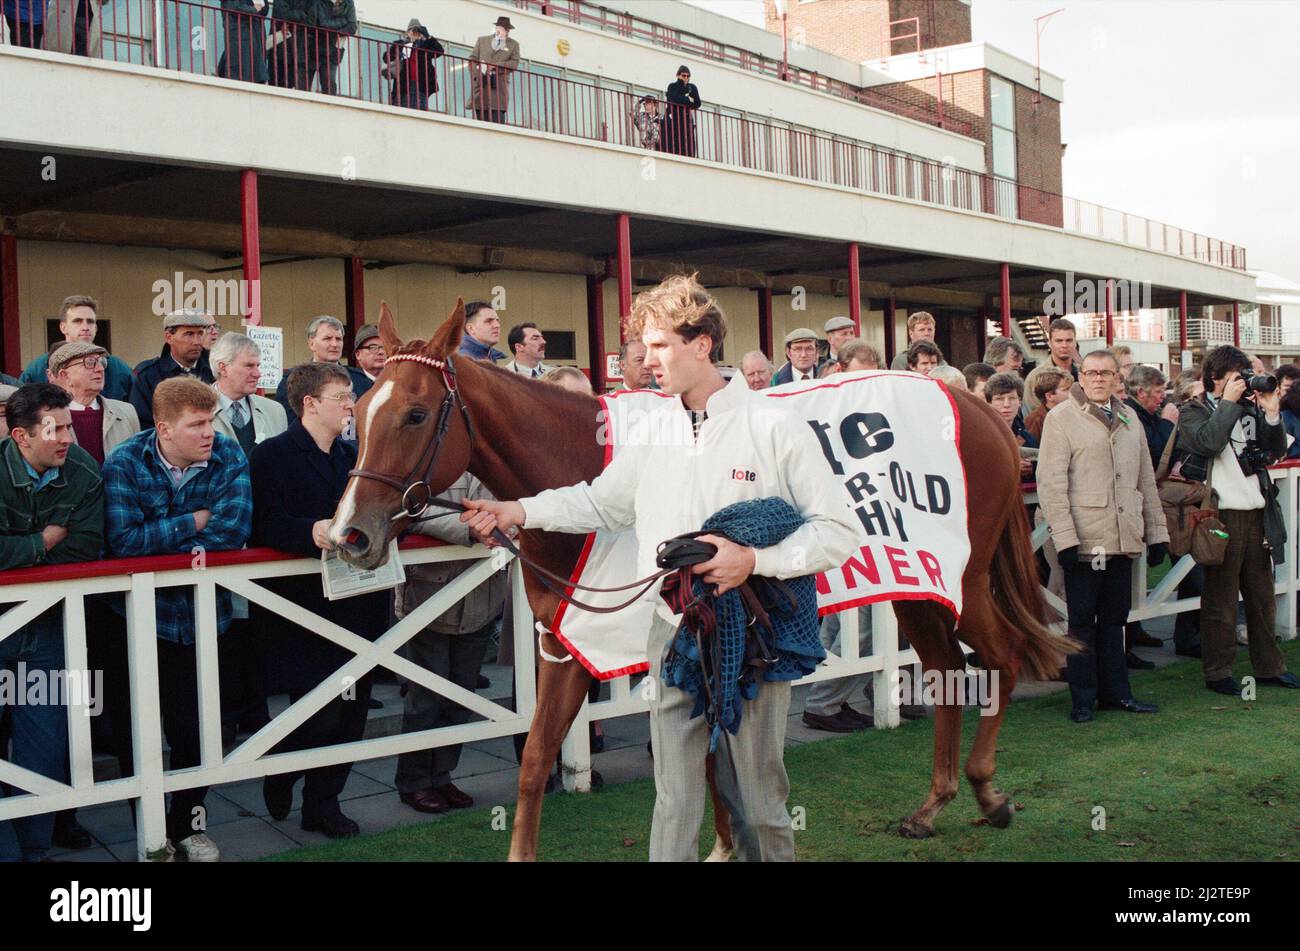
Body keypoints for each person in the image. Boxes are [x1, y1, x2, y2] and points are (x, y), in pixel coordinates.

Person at [461, 274, 858, 862]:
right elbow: (600, 502)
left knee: (758, 800)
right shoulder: (653, 427)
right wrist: (518, 508)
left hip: (753, 634)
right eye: (643, 348)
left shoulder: (774, 425)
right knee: (673, 796)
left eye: (660, 345)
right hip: (672, 630)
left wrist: (755, 560)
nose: (646, 361)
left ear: (702, 344)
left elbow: (838, 533)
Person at [103, 377, 253, 861]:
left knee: (201, 731)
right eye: (197, 424)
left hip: (204, 618)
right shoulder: (125, 460)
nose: (210, 432)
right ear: (164, 429)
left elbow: (231, 532)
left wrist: (163, 536)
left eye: (211, 420)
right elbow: (122, 542)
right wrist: (193, 522)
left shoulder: (229, 455)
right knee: (136, 733)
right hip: (133, 621)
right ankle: (151, 833)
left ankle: (187, 825)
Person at [249, 363, 383, 838]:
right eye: (342, 397)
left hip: (358, 601)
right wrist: (310, 531)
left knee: (353, 711)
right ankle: (284, 765)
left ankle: (324, 803)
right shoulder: (271, 456)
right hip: (301, 605)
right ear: (309, 403)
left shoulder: (354, 454)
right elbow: (263, 523)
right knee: (318, 710)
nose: (351, 405)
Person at [0, 384, 104, 863]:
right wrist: (42, 543)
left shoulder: (83, 470)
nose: (67, 437)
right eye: (55, 428)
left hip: (47, 625)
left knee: (44, 739)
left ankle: (34, 849)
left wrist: (19, 548)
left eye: (69, 425)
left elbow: (87, 548)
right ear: (21, 436)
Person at [1037, 350, 1167, 722]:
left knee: (1115, 620)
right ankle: (1082, 700)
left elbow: (1145, 480)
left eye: (1105, 373)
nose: (1097, 379)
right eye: (1091, 373)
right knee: (1081, 622)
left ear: (1116, 379)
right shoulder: (1061, 419)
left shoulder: (1129, 419)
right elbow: (1051, 485)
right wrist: (1064, 539)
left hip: (1122, 537)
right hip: (1083, 539)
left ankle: (1117, 694)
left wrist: (1157, 533)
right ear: (1080, 376)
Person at [1174, 346, 1300, 695]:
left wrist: (1272, 413)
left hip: (1257, 511)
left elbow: (1275, 452)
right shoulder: (1192, 411)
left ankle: (1270, 667)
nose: (1243, 383)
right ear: (1214, 378)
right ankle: (1218, 672)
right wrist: (1227, 403)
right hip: (1219, 514)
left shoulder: (1250, 409)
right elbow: (1210, 442)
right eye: (1235, 376)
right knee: (1221, 599)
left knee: (1262, 598)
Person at [21, 295, 133, 401]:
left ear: (96, 327)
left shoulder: (117, 368)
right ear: (63, 327)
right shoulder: (38, 369)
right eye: (77, 321)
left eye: (90, 322)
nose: (85, 327)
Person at [47, 341, 139, 463]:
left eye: (101, 362)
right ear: (64, 375)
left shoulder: (126, 412)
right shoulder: (47, 417)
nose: (100, 369)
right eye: (89, 363)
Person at [128, 309, 216, 430]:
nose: (196, 341)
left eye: (200, 333)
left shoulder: (217, 370)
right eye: (189, 334)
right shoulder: (148, 375)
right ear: (169, 337)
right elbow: (142, 425)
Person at [210, 332, 287, 455]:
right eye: (249, 366)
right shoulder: (194, 410)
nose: (257, 374)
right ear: (223, 368)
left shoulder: (275, 411)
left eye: (258, 365)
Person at [273, 316, 371, 411]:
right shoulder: (292, 379)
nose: (335, 344)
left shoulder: (360, 380)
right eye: (327, 339)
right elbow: (285, 419)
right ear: (311, 344)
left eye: (338, 339)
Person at [382, 18, 443, 110]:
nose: (415, 33)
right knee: (402, 111)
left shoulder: (426, 45)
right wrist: (400, 51)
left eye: (418, 31)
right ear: (407, 33)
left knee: (420, 112)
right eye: (413, 30)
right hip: (403, 85)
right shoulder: (400, 44)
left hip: (421, 85)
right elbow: (386, 58)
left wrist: (428, 36)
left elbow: (439, 51)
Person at [985, 372, 1035, 481]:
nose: (1007, 404)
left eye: (1012, 398)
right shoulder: (982, 436)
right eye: (999, 399)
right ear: (989, 403)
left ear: (1020, 402)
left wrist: (1029, 470)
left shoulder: (1027, 437)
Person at [469, 15, 519, 123]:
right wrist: (479, 70)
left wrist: (496, 65)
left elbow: (514, 63)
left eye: (506, 29)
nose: (504, 31)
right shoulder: (482, 40)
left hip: (499, 89)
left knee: (497, 122)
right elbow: (472, 59)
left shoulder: (513, 45)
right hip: (482, 87)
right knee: (481, 121)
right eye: (501, 28)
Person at [309, 0, 356, 96]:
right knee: (305, 81)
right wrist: (343, 21)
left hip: (333, 50)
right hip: (314, 47)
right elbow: (322, 23)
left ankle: (330, 107)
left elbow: (352, 27)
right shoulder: (319, 2)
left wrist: (336, 31)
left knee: (329, 84)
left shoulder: (349, 3)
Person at [216, 0, 268, 84]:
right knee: (239, 69)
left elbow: (264, 10)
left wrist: (258, 7)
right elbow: (234, 7)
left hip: (254, 36)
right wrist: (254, 9)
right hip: (239, 35)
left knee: (254, 71)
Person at [267, 0, 313, 89]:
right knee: (276, 82)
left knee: (292, 82)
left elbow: (311, 19)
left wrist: (291, 19)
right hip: (280, 44)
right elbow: (282, 14)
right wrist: (302, 15)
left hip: (298, 47)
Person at [1023, 367, 1072, 442]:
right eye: (1066, 389)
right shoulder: (1036, 421)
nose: (1071, 392)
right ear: (1049, 396)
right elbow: (1031, 450)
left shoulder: (1071, 413)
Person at [663, 65, 701, 157]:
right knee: (676, 140)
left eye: (688, 76)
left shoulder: (692, 87)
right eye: (684, 75)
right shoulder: (672, 86)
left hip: (687, 118)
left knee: (688, 141)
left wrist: (683, 99)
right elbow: (672, 99)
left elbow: (697, 103)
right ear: (678, 75)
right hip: (675, 118)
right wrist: (687, 99)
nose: (686, 78)